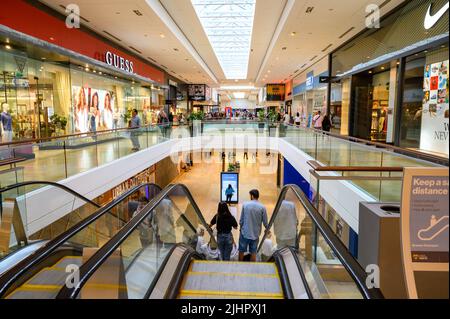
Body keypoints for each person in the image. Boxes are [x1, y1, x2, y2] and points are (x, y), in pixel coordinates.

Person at [238, 189, 269, 262]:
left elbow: (241, 220)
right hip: (255, 234)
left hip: (244, 233)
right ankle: (252, 268)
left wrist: (241, 228)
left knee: (241, 251)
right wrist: (267, 229)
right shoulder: (262, 207)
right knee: (253, 252)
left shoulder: (245, 205)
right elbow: (265, 222)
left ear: (252, 196)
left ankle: (239, 265)